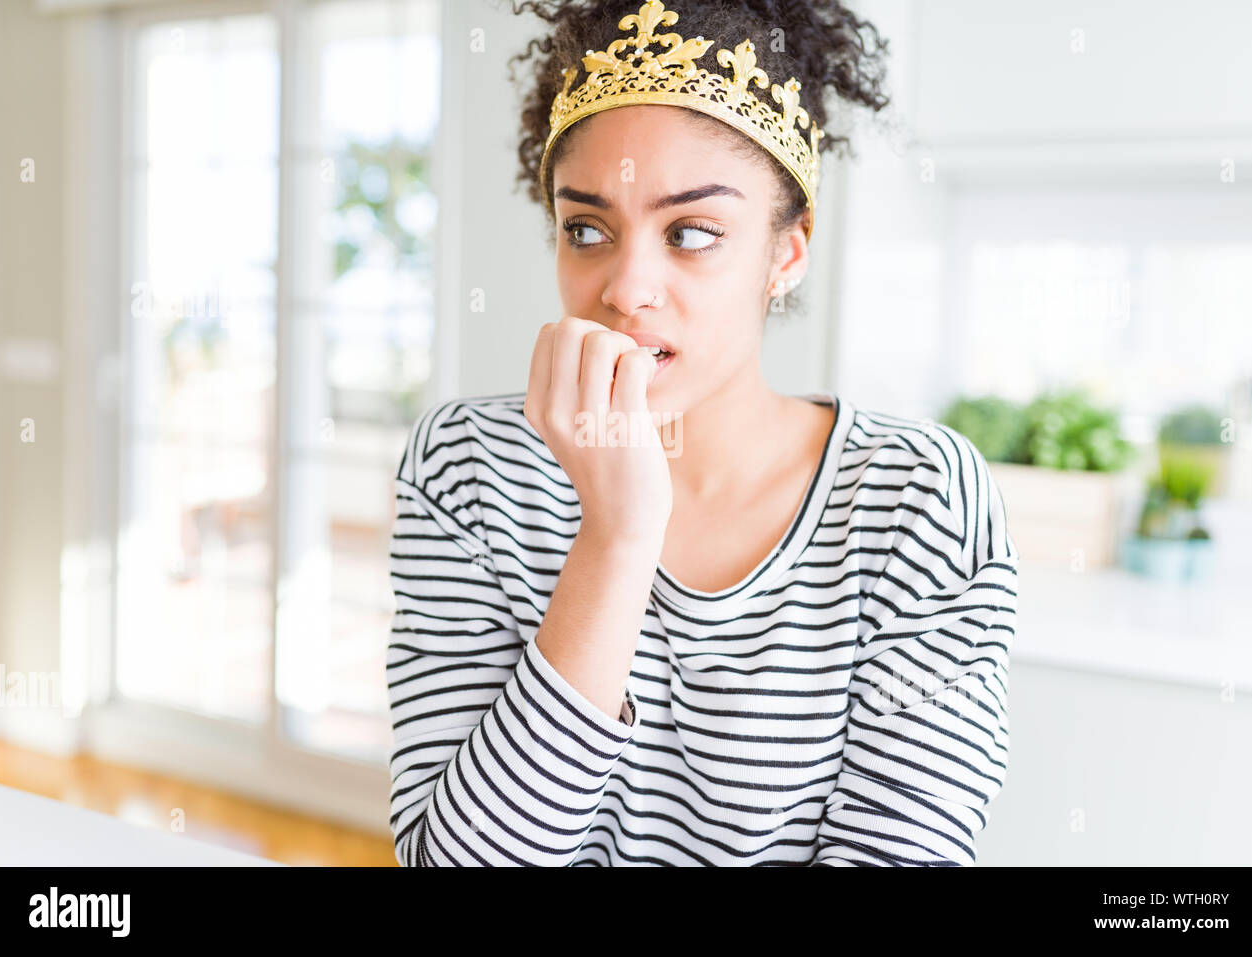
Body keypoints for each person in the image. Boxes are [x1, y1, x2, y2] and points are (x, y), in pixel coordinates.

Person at [386, 0, 1018, 866]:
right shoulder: (468, 469)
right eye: (587, 229)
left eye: (692, 233)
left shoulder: (920, 499)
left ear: (785, 254)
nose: (626, 285)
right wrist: (616, 539)